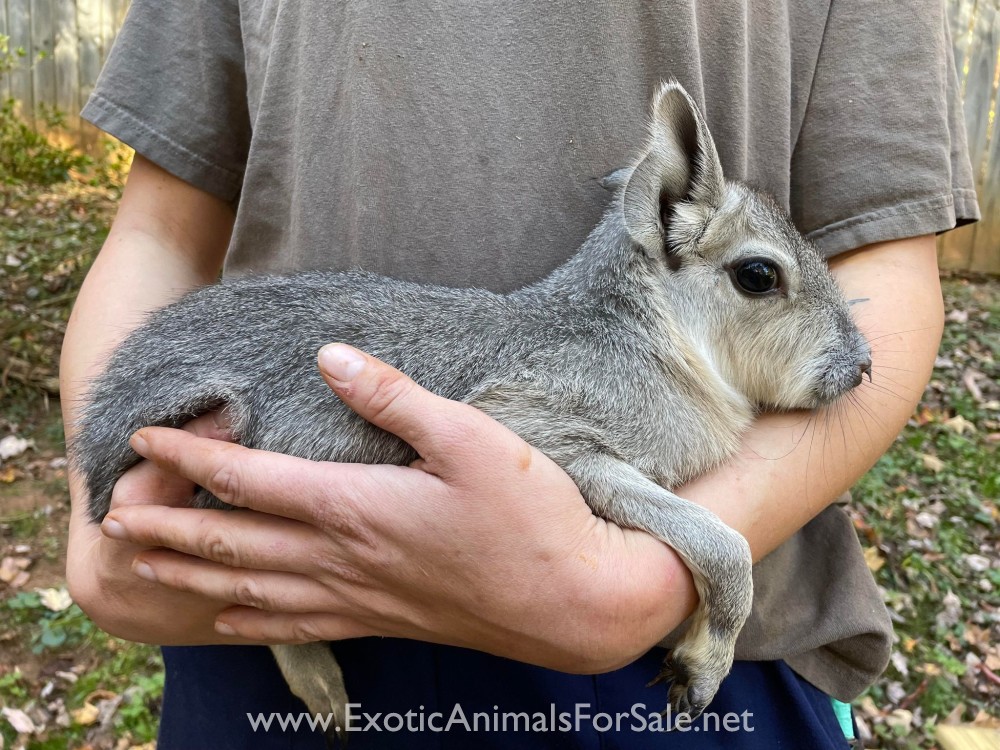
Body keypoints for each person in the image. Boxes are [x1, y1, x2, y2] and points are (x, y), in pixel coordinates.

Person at [60, 1, 978, 747]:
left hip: (663, 675)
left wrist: (650, 581)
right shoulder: (605, 372)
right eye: (756, 278)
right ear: (661, 217)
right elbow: (157, 228)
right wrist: (100, 541)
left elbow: (889, 263)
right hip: (247, 608)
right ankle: (302, 648)